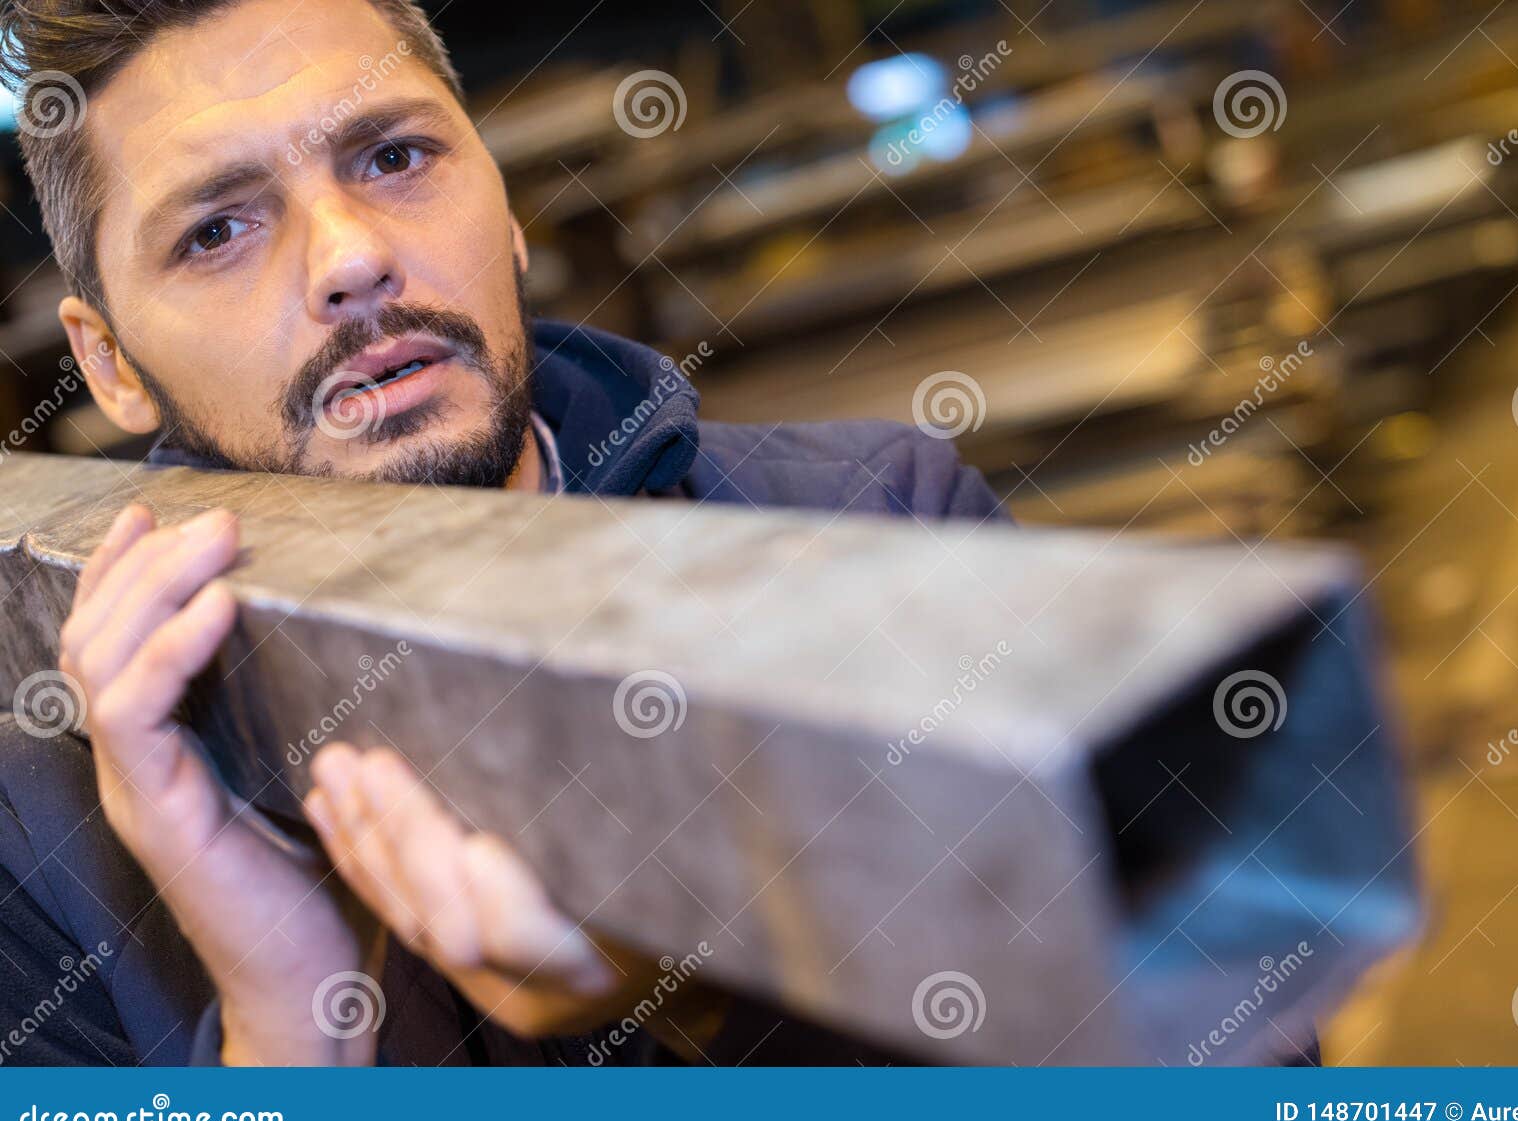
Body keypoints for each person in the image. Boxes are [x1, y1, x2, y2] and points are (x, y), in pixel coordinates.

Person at [0, 0, 1008, 1065]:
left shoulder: (879, 533)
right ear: (108, 362)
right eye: (216, 231)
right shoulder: (38, 838)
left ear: (507, 206)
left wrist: (707, 988)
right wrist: (289, 1020)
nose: (350, 257)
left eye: (393, 157)